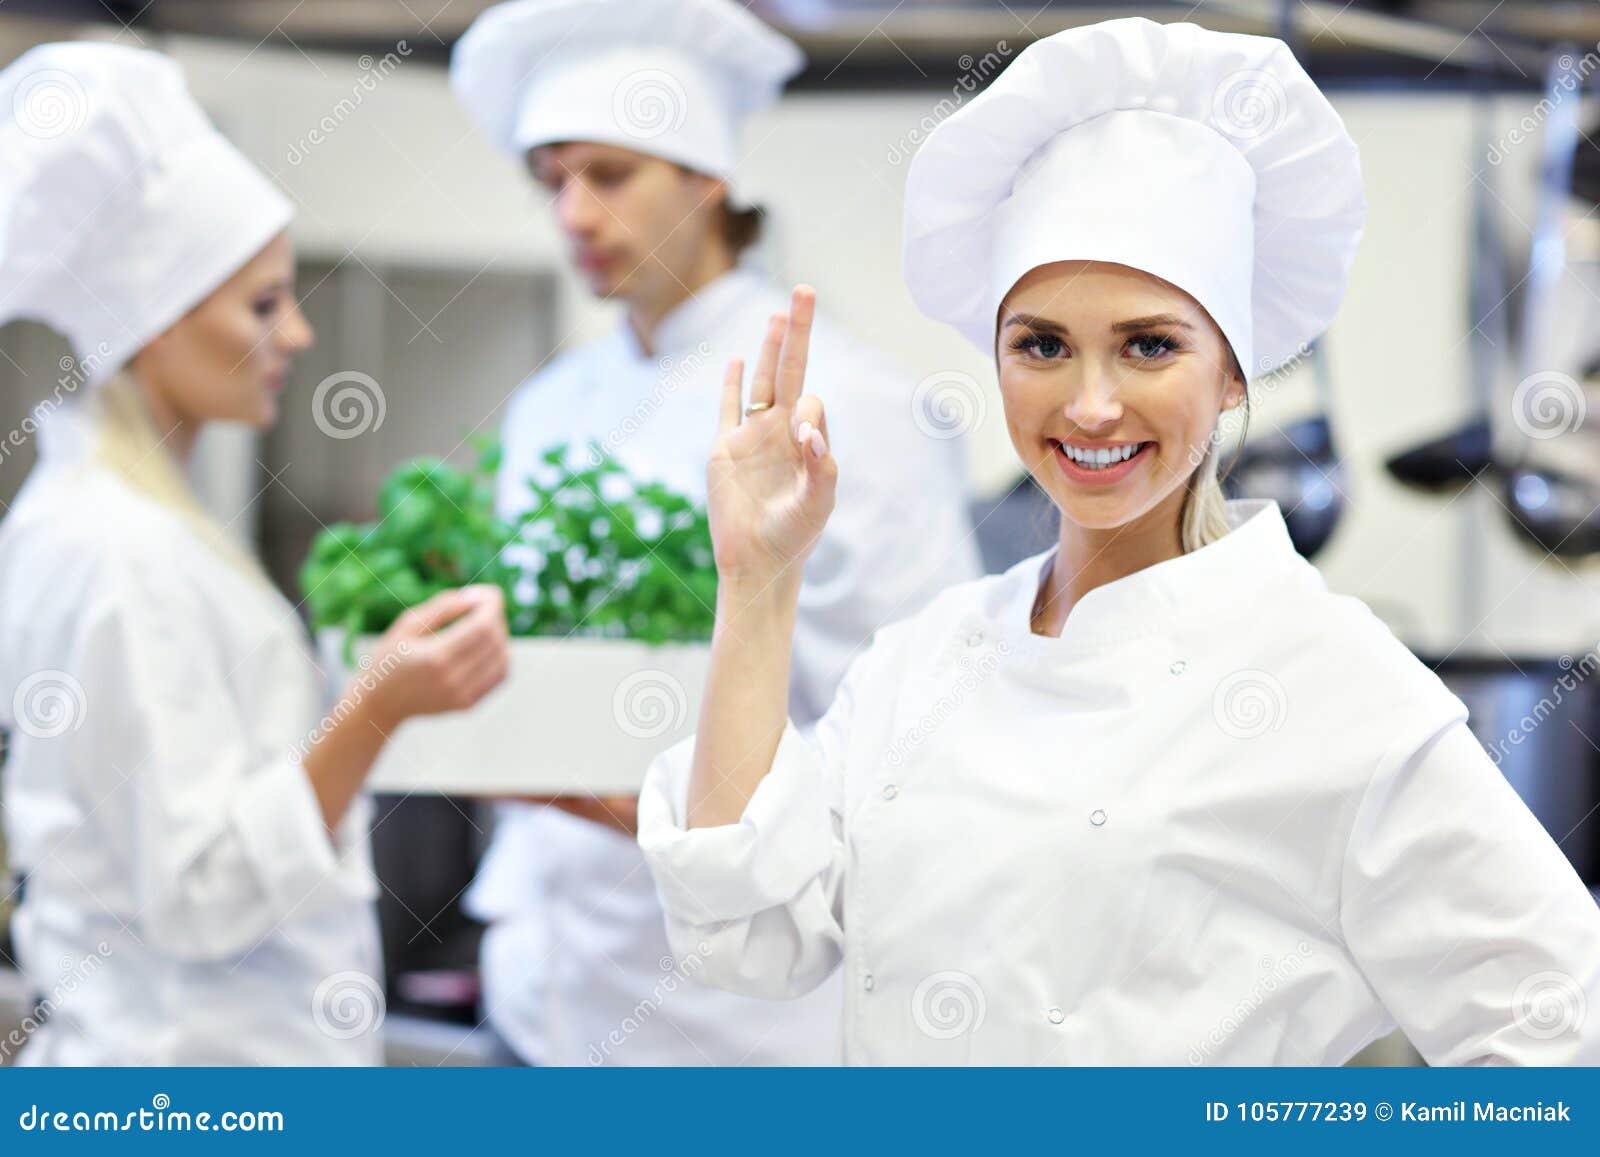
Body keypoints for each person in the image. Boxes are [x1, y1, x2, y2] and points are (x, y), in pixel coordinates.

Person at [636, 17, 1600, 1064]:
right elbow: (741, 936)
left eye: (1148, 345)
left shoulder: (1329, 677)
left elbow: (1557, 1029)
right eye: (1041, 344)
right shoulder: (926, 658)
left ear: (1231, 371)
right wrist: (759, 576)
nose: (1090, 404)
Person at [449, 0, 979, 1065]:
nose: (573, 212)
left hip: (734, 1018)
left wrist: (645, 807)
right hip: (543, 984)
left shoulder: (850, 402)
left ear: (705, 179)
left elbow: (922, 727)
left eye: (608, 174)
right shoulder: (548, 404)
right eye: (552, 179)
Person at [0, 43, 510, 1065]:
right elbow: (203, 890)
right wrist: (374, 704)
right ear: (157, 323)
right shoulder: (115, 547)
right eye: (263, 302)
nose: (299, 333)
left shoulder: (130, 518)